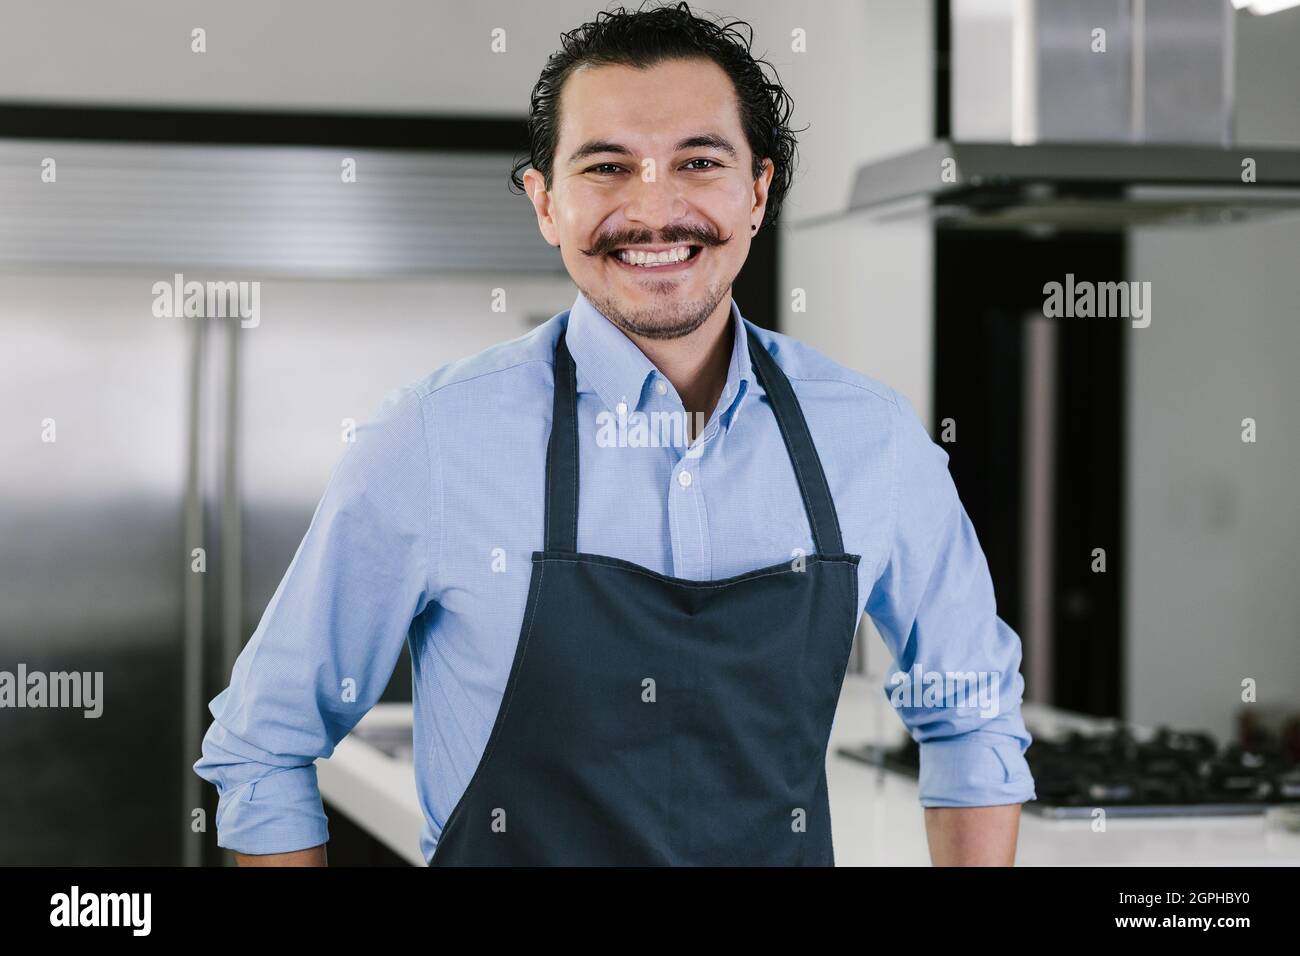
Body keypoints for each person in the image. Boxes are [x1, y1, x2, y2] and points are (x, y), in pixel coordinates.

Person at [194, 1, 1035, 867]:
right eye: (607, 167)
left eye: (698, 161)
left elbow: (972, 714)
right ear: (545, 202)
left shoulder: (873, 439)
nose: (653, 208)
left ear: (758, 192)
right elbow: (265, 746)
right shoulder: (434, 440)